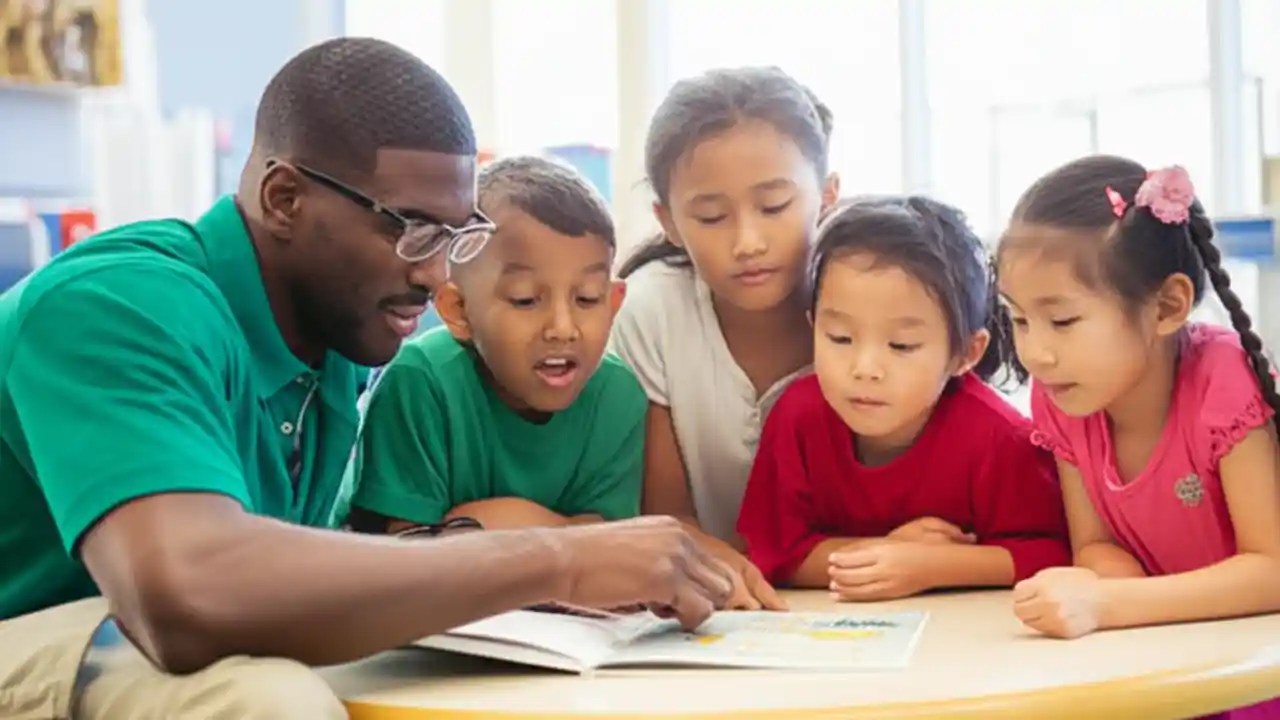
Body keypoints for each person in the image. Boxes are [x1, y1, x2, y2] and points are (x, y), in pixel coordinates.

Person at [0, 38, 730, 720]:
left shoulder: (338, 342)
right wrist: (561, 559)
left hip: (120, 630)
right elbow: (187, 595)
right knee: (266, 700)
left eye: (455, 236)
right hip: (43, 626)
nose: (435, 273)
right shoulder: (122, 305)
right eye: (409, 228)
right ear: (285, 199)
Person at [998, 158, 1280, 695]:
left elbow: (1272, 571)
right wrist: (1100, 581)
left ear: (1167, 306)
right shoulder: (1063, 398)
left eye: (1062, 321)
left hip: (1258, 675)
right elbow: (1095, 546)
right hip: (1163, 661)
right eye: (1018, 319)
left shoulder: (1223, 380)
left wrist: (1108, 602)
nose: (1035, 352)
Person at [737, 196, 1070, 600]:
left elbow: (1052, 554)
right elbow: (773, 554)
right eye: (839, 338)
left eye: (901, 345)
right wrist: (889, 554)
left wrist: (931, 567)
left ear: (966, 353)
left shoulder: (1001, 438)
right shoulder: (797, 416)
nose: (865, 368)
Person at [609, 66, 839, 610]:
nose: (748, 242)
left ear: (827, 194)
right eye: (711, 216)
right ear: (667, 222)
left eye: (775, 206)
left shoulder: (873, 302)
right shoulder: (651, 311)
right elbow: (666, 516)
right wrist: (704, 549)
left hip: (858, 599)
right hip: (714, 602)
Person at [347, 156, 645, 533]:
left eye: (586, 298)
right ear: (458, 310)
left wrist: (497, 523)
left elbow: (614, 550)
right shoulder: (420, 383)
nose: (563, 329)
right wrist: (566, 532)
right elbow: (409, 554)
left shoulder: (618, 397)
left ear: (614, 302)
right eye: (524, 299)